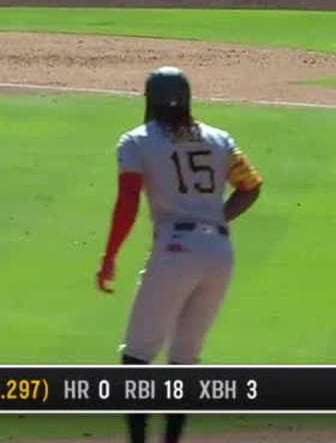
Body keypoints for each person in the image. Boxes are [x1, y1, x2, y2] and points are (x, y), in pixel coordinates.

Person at [96, 67, 264, 443]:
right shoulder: (220, 139)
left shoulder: (136, 141)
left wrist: (109, 255)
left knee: (137, 356)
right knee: (186, 358)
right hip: (219, 253)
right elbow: (251, 186)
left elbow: (128, 202)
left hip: (174, 249)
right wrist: (213, 217)